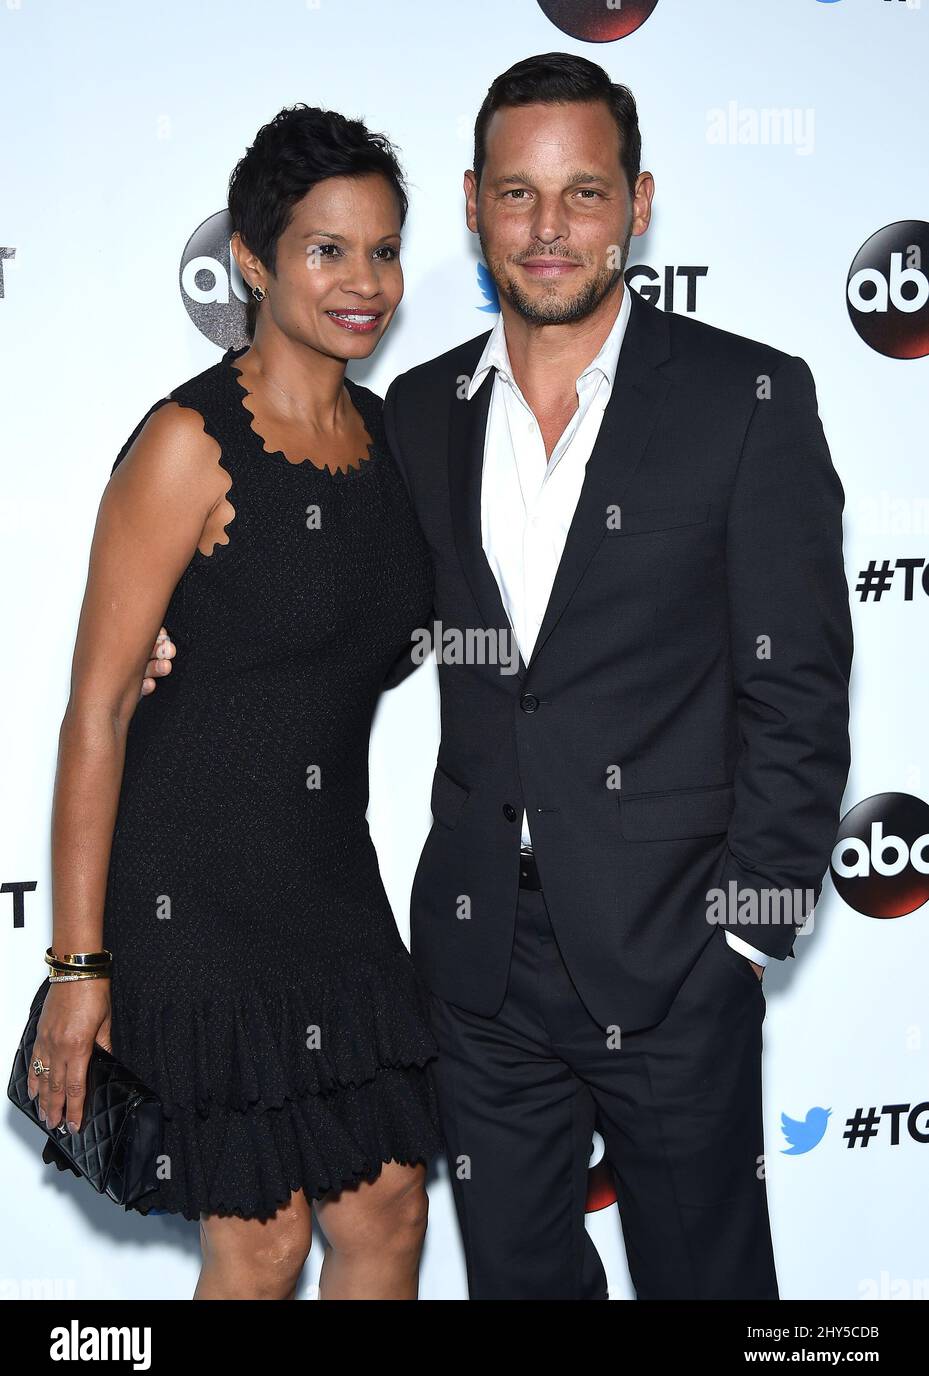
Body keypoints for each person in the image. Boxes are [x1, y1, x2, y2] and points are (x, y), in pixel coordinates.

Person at [143, 53, 854, 1300]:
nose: (547, 227)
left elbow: (795, 684)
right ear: (472, 206)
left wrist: (743, 937)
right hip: (472, 967)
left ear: (638, 206)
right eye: (517, 195)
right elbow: (335, 603)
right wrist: (183, 636)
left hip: (675, 950)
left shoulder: (746, 398)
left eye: (582, 193)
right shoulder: (414, 415)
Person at [27, 104, 444, 1301]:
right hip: (192, 896)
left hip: (329, 885)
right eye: (326, 250)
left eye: (382, 248)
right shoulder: (186, 445)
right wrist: (79, 966)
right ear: (253, 261)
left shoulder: (386, 439)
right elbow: (96, 713)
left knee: (389, 1208)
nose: (363, 281)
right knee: (259, 1240)